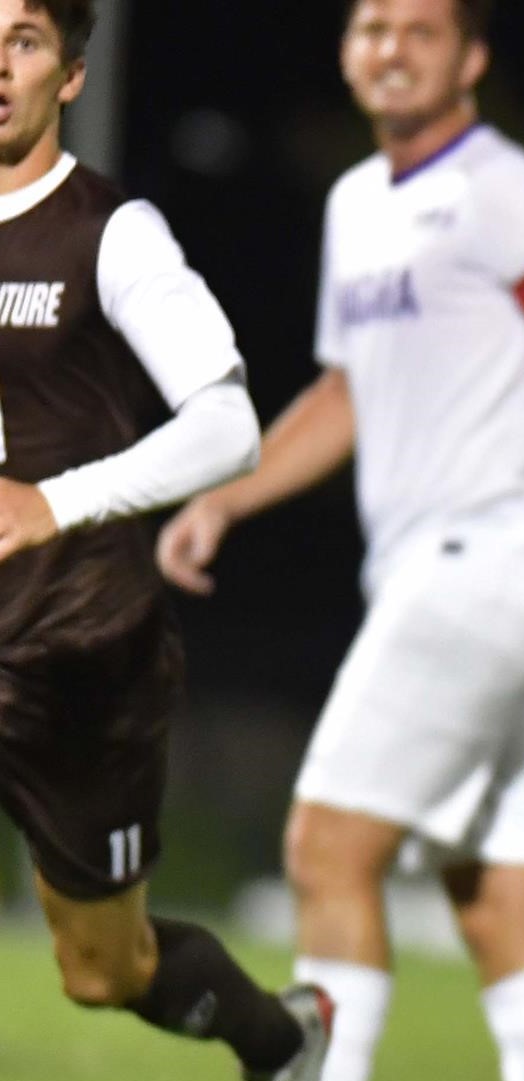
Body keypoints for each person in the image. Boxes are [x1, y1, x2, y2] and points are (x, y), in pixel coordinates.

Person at [156, 1, 524, 1079]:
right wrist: (228, 496)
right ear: (344, 53)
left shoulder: (506, 191)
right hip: (441, 577)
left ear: (469, 57)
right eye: (372, 27)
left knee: (325, 848)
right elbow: (347, 392)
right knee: (496, 899)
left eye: (420, 30)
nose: (391, 47)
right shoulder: (359, 202)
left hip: (486, 566)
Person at [0, 1, 333, 1078]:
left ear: (72, 75)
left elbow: (230, 426)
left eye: (24, 43)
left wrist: (56, 503)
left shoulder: (110, 231)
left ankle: (279, 1038)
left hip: (75, 655)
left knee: (103, 969)